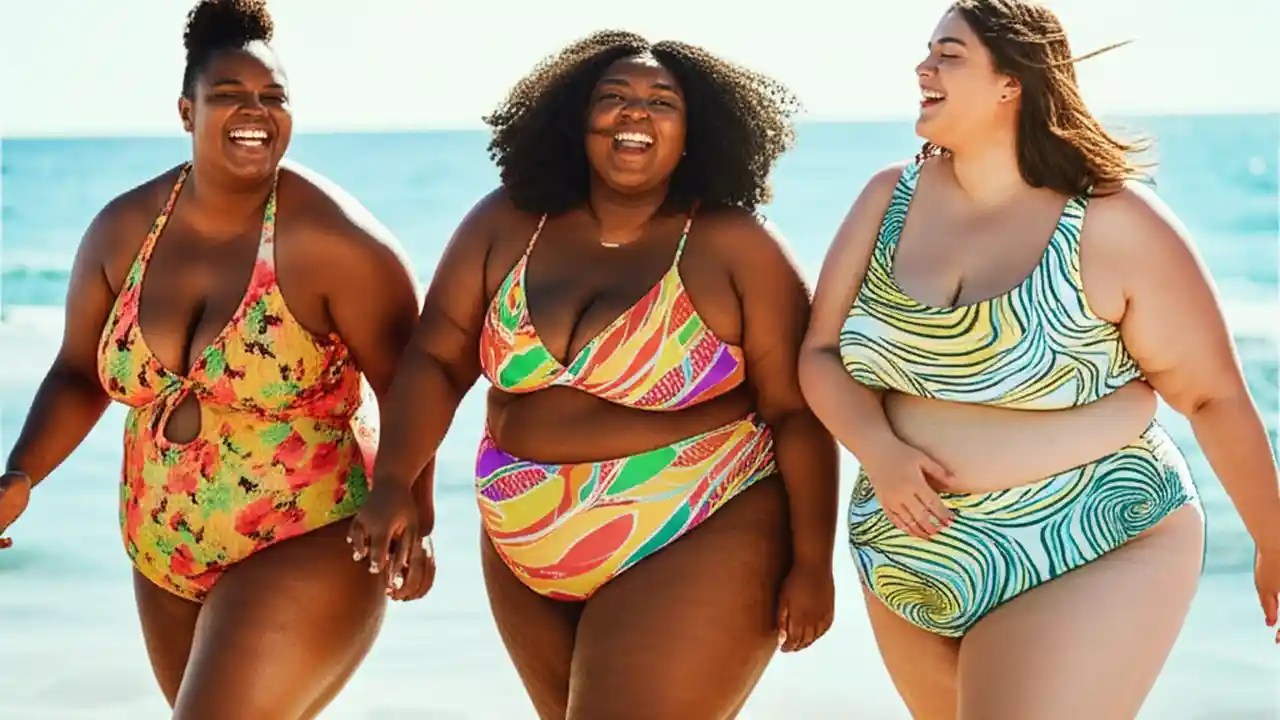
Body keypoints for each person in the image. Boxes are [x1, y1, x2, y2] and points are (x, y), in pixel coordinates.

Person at [798, 1, 1280, 718]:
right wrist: (879, 450)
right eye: (927, 51)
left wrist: (1272, 541)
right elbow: (820, 353)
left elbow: (1211, 395)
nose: (922, 67)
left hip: (1092, 544)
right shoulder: (887, 198)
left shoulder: (1114, 222)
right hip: (909, 562)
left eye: (949, 54)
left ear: (1011, 82)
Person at [347, 30, 839, 720]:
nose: (635, 113)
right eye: (613, 98)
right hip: (524, 546)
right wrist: (396, 481)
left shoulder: (736, 246)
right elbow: (435, 358)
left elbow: (796, 412)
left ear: (697, 130)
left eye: (660, 101)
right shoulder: (508, 223)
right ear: (576, 120)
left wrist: (815, 563)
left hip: (695, 521)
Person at [0, 1, 435, 717]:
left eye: (273, 97)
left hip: (310, 537)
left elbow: (412, 384)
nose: (254, 112)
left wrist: (412, 513)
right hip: (163, 555)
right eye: (229, 95)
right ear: (185, 109)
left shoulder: (336, 244)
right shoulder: (123, 231)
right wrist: (22, 475)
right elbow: (79, 372)